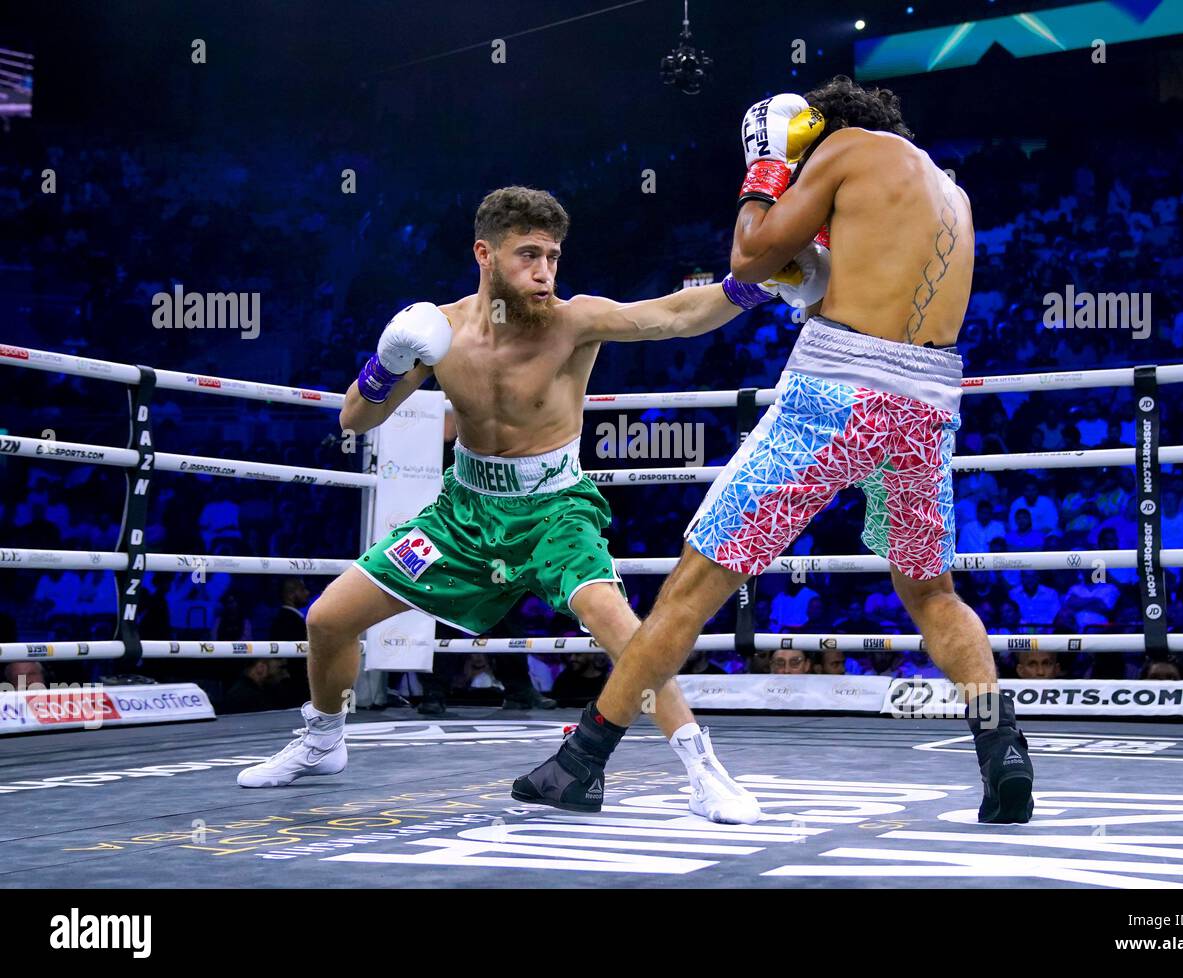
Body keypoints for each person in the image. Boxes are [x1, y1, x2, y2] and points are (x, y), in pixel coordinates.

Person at [514, 79, 1034, 824]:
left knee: (695, 582)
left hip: (837, 394)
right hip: (927, 406)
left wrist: (765, 166)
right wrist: (816, 275)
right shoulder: (952, 192)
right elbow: (864, 280)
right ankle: (1002, 748)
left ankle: (583, 760)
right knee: (931, 593)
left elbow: (751, 254)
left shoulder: (845, 148)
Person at [239, 186, 822, 823]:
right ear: (484, 254)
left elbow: (676, 314)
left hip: (554, 509)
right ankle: (323, 738)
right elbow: (356, 418)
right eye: (528, 256)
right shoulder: (440, 331)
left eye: (552, 256)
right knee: (327, 619)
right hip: (461, 516)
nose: (545, 273)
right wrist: (385, 362)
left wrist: (759, 282)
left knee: (621, 626)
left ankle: (703, 768)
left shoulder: (575, 322)